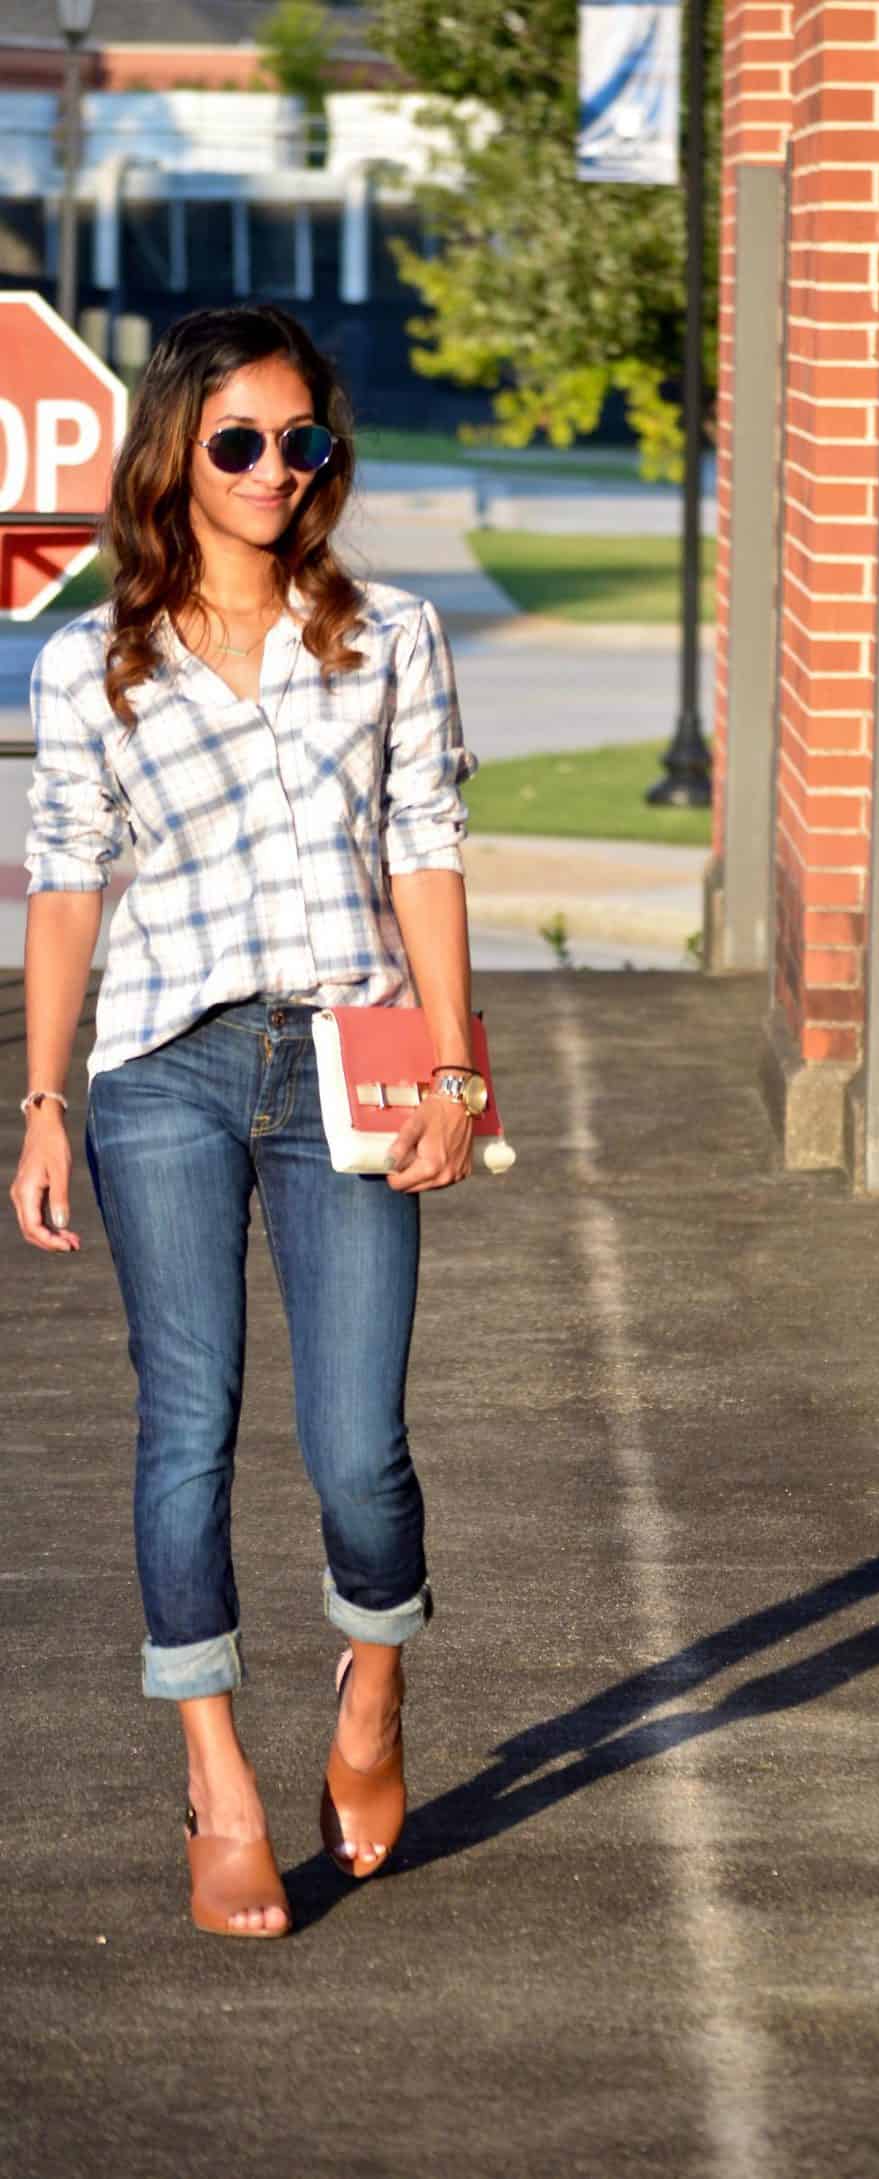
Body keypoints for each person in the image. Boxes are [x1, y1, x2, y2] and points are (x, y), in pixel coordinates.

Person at [9, 304, 480, 1940]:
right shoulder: (95, 661)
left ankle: (371, 1695)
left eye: (303, 442)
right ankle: (217, 1778)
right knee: (186, 1424)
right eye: (239, 443)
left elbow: (425, 847)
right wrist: (44, 1095)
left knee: (360, 1449)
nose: (275, 470)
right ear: (174, 456)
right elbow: (65, 883)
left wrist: (456, 1067)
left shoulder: (392, 635)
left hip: (350, 1056)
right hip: (163, 1065)